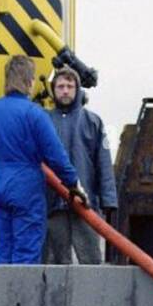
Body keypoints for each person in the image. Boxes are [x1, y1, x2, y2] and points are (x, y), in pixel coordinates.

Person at [0, 55, 86, 265]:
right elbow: (56, 155)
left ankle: (0, 296)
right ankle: (21, 298)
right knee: (26, 253)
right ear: (30, 81)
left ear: (7, 80)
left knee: (3, 249)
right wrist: (73, 183)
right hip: (26, 187)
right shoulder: (35, 113)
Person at [43, 64, 118, 264]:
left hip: (86, 204)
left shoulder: (94, 122)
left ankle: (93, 295)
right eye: (60, 86)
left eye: (70, 86)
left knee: (91, 259)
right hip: (53, 205)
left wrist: (108, 200)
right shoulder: (43, 120)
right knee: (54, 262)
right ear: (53, 90)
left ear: (77, 90)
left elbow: (104, 162)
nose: (65, 90)